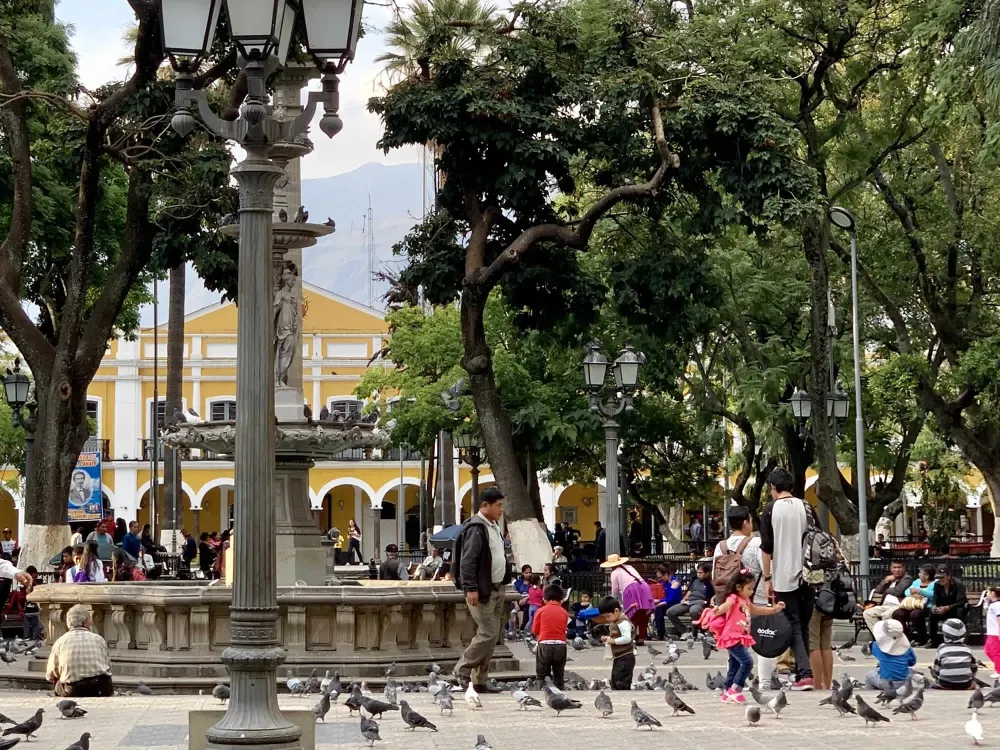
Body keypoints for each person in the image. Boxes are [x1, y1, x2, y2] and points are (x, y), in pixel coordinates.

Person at [759, 466, 814, 690]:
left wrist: (767, 577)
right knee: (803, 623)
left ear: (773, 487)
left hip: (783, 575)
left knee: (793, 624)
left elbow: (766, 547)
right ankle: (803, 671)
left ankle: (805, 674)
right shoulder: (807, 506)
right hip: (810, 574)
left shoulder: (770, 509)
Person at [453, 487, 511, 692]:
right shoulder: (477, 528)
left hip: (497, 588)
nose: (501, 509)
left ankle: (480, 680)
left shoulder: (493, 526)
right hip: (483, 590)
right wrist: (471, 588)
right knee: (488, 633)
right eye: (498, 505)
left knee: (492, 635)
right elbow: (467, 562)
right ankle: (461, 670)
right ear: (485, 505)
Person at [712, 504, 777, 684]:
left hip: (731, 604)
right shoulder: (755, 543)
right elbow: (767, 569)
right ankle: (764, 681)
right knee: (764, 639)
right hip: (756, 598)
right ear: (746, 522)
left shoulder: (721, 546)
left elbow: (714, 575)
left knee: (734, 644)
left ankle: (731, 683)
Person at [703, 571, 786, 703]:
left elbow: (758, 610)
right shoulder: (733, 598)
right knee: (747, 662)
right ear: (738, 587)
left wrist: (774, 609)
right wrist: (716, 610)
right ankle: (735, 689)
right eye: (749, 588)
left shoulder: (745, 600)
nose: (751, 591)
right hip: (732, 636)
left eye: (752, 588)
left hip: (740, 636)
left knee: (734, 664)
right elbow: (726, 606)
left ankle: (727, 692)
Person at [45, 604, 112, 697]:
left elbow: (51, 674)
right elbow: (108, 666)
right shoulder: (99, 639)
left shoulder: (61, 642)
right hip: (101, 688)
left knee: (58, 683)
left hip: (74, 689)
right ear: (85, 622)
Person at [603, 553, 654, 645]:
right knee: (642, 614)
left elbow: (615, 589)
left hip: (630, 589)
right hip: (643, 586)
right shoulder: (629, 567)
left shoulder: (615, 573)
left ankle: (631, 637)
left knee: (631, 615)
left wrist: (613, 601)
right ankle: (641, 637)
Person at [532, 583, 569, 689]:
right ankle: (560, 691)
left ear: (544, 599)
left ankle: (540, 690)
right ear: (561, 600)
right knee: (558, 674)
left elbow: (534, 630)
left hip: (544, 645)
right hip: (561, 645)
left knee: (541, 674)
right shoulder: (564, 612)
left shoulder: (541, 611)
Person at [665, 561, 713, 640]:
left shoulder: (711, 583)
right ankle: (684, 631)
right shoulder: (695, 581)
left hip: (700, 602)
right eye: (698, 572)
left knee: (694, 611)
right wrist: (684, 599)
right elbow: (689, 592)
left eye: (701, 573)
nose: (698, 575)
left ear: (707, 573)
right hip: (689, 601)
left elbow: (713, 595)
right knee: (670, 612)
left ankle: (695, 633)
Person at [594, 596, 634, 690]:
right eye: (605, 617)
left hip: (626, 656)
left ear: (616, 611)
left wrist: (613, 641)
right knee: (615, 678)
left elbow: (627, 638)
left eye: (608, 616)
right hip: (619, 656)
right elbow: (617, 636)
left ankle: (623, 694)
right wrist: (607, 638)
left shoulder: (623, 623)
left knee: (621, 680)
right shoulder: (614, 622)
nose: (607, 619)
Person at [864, 619, 917, 690]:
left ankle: (870, 692)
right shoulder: (907, 648)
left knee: (869, 675)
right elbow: (912, 662)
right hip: (904, 683)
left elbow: (869, 651)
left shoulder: (876, 646)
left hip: (886, 683)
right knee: (909, 670)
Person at [863, 560, 913, 633]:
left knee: (886, 615)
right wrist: (886, 581)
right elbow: (878, 590)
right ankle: (880, 635)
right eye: (895, 567)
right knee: (867, 613)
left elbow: (898, 592)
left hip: (898, 606)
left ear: (904, 568)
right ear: (891, 569)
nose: (897, 570)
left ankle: (888, 638)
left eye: (899, 567)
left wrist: (887, 590)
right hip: (885, 605)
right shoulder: (890, 579)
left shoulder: (907, 578)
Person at [892, 564, 936, 645]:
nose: (919, 574)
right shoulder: (917, 581)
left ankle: (922, 638)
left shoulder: (935, 583)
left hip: (926, 606)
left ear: (927, 575)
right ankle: (906, 637)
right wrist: (913, 595)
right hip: (912, 604)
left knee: (915, 614)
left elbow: (933, 594)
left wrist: (920, 591)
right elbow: (907, 591)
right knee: (897, 613)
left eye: (921, 573)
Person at [929, 564, 968, 646]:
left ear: (949, 576)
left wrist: (948, 607)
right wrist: (934, 606)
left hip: (956, 608)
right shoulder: (937, 585)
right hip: (944, 608)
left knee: (959, 612)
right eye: (938, 578)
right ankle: (933, 640)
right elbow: (935, 598)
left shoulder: (958, 584)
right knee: (932, 614)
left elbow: (961, 601)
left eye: (942, 577)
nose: (940, 580)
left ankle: (961, 639)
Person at [931, 618, 976, 689]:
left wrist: (937, 676)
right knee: (974, 683)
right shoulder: (967, 649)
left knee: (933, 684)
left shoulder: (942, 648)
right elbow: (973, 667)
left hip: (946, 683)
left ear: (945, 634)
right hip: (965, 683)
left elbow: (937, 668)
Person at [652, 564, 683, 640]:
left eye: (660, 577)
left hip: (675, 604)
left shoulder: (674, 583)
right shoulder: (663, 582)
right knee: (657, 609)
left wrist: (658, 601)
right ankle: (659, 632)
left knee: (658, 609)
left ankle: (660, 633)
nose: (659, 579)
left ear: (666, 574)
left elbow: (671, 598)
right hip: (666, 603)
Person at [510, 564, 533, 632]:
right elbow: (514, 594)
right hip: (517, 603)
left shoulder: (532, 583)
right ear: (522, 573)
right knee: (512, 609)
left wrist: (526, 599)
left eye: (529, 572)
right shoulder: (518, 583)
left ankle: (523, 629)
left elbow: (535, 593)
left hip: (528, 603)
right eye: (526, 573)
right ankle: (512, 631)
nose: (528, 574)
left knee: (527, 608)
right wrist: (516, 605)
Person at [984, 587, 1000, 680]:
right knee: (988, 650)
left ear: (993, 593)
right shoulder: (992, 604)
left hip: (995, 632)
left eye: (988, 592)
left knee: (995, 652)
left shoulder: (997, 605)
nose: (987, 594)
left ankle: (999, 670)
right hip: (991, 632)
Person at [22, 566, 41, 639]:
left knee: (26, 625)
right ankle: (34, 636)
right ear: (32, 574)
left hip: (27, 609)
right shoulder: (35, 583)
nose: (37, 575)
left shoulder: (24, 582)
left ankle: (26, 636)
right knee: (35, 624)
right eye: (36, 573)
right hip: (34, 608)